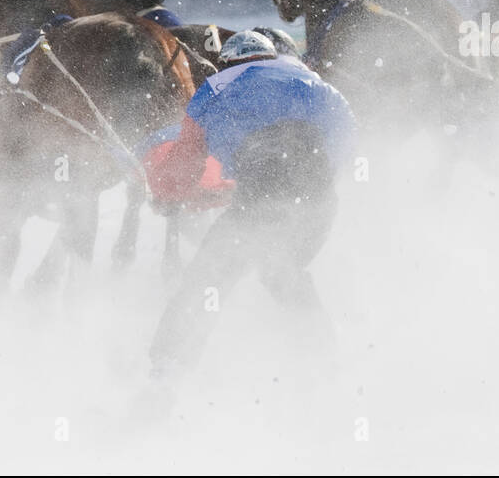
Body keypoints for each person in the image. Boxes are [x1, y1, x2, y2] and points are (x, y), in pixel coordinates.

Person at [144, 29, 356, 378]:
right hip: (318, 204)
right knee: (283, 273)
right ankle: (324, 368)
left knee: (206, 281)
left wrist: (167, 195)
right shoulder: (317, 84)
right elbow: (345, 144)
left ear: (226, 62)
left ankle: (165, 374)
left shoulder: (214, 90)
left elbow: (183, 169)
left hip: (259, 199)